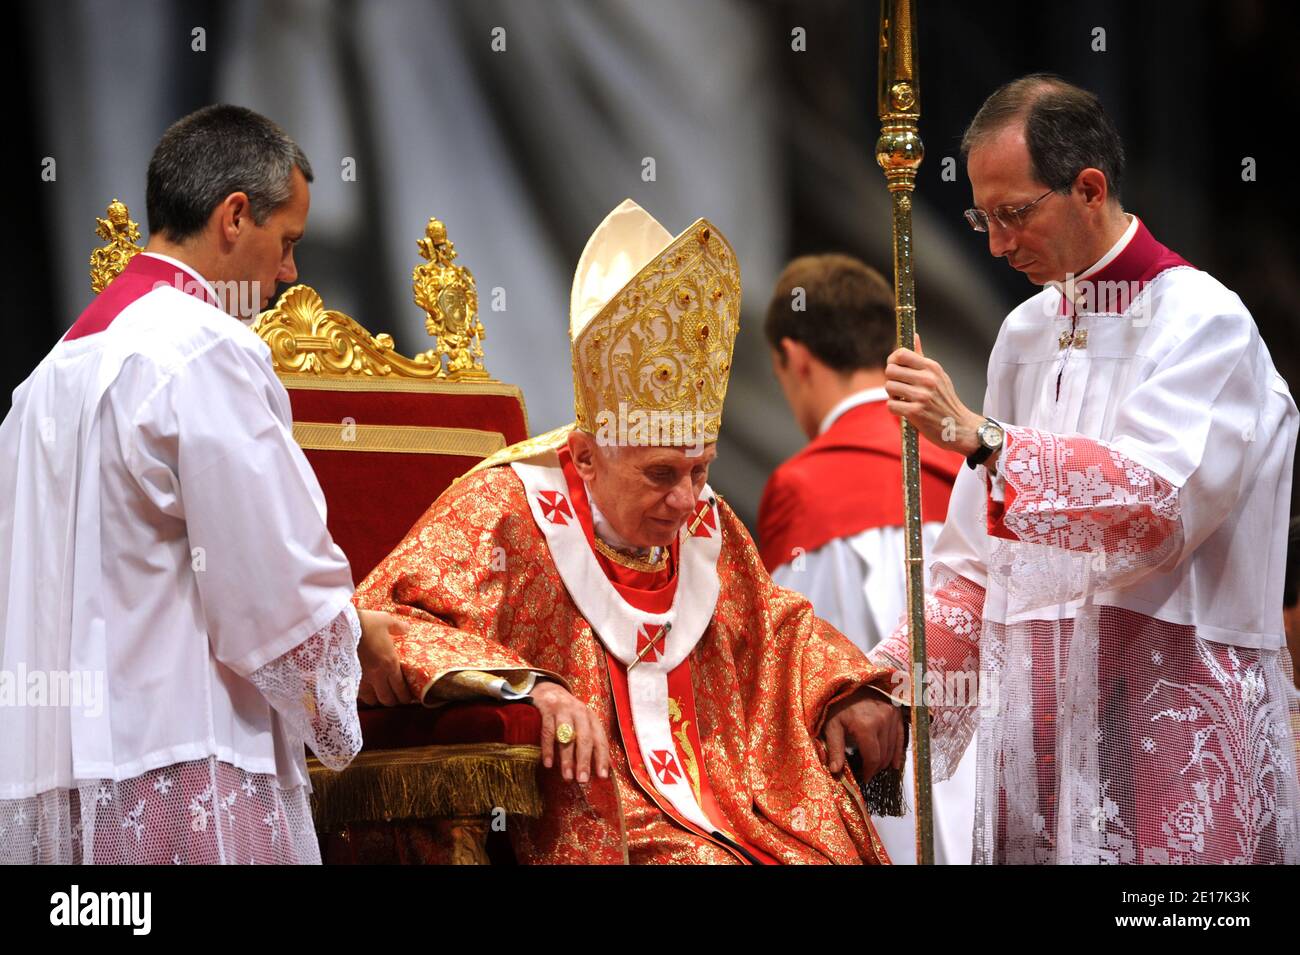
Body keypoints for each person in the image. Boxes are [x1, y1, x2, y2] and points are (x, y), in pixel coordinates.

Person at [354, 198, 906, 864]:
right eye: (661, 472)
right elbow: (381, 621)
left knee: (835, 845)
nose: (686, 499)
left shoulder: (709, 523)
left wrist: (848, 690)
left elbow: (777, 630)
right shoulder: (503, 510)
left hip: (727, 797)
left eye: (701, 468)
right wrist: (529, 687)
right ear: (586, 454)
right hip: (589, 806)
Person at [874, 74, 1300, 863]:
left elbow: (1154, 511)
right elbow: (974, 568)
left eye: (1013, 213)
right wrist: (890, 693)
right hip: (1040, 749)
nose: (997, 244)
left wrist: (986, 441)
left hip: (1174, 741)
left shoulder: (1204, 322)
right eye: (982, 218)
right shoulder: (1023, 335)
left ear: (1089, 187)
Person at [0, 104, 409, 864]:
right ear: (234, 215)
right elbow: (268, 579)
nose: (289, 272)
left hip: (66, 783)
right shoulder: (203, 349)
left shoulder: (45, 379)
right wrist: (355, 636)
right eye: (286, 243)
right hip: (189, 771)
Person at [758, 253, 973, 863]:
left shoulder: (803, 489)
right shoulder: (970, 464)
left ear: (795, 359)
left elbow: (801, 674)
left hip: (887, 796)